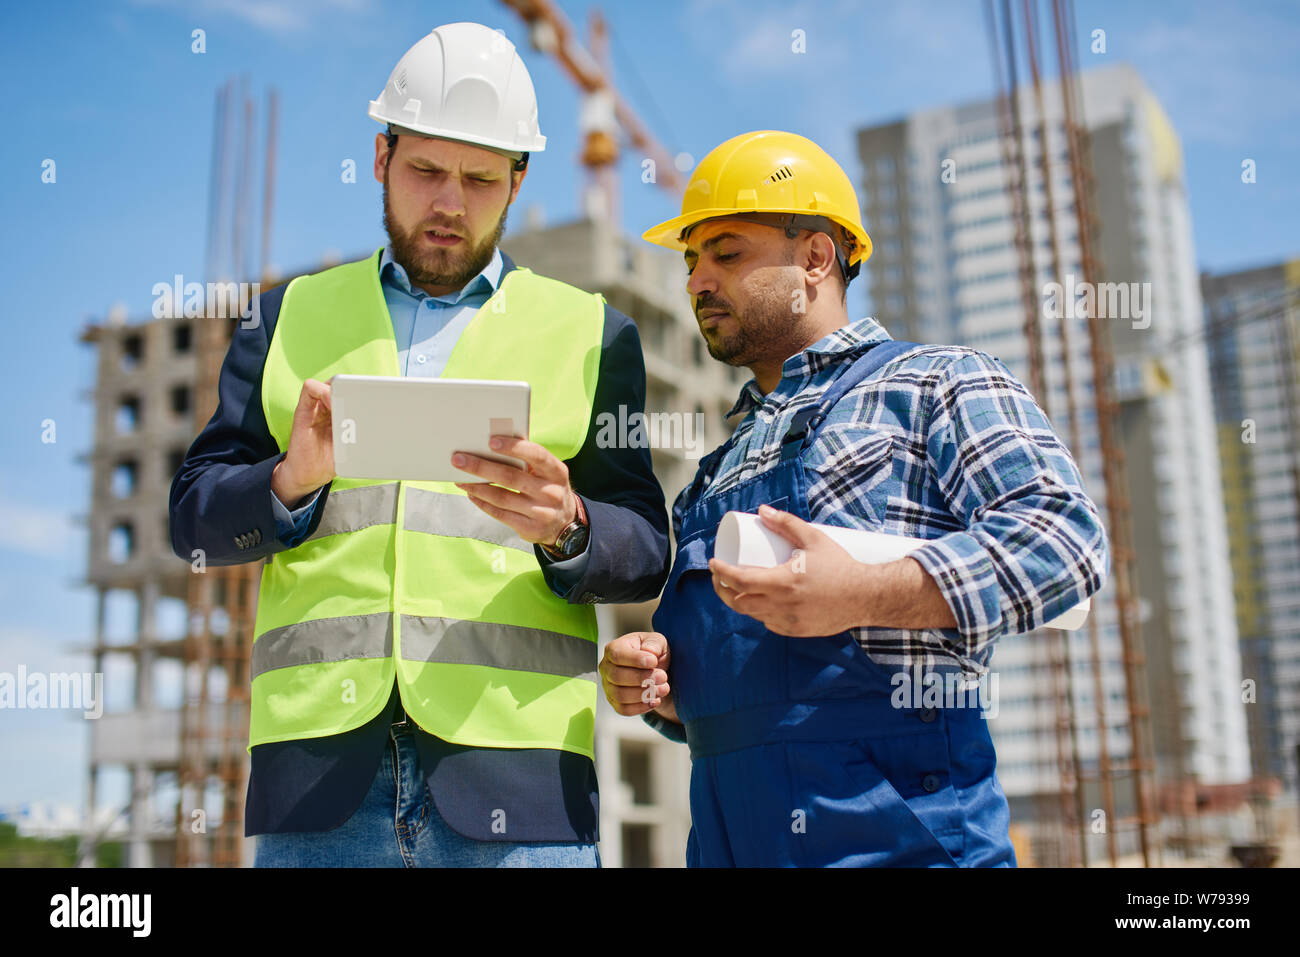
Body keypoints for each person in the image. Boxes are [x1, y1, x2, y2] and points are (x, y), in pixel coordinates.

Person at [170, 22, 669, 868]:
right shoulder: (284, 317)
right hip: (319, 783)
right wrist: (289, 483)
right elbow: (193, 521)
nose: (449, 203)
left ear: (517, 183)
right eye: (426, 170)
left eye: (480, 180)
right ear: (379, 157)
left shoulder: (593, 336)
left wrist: (571, 524)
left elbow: (646, 546)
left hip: (521, 779)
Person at [598, 130, 1109, 867]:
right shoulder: (713, 472)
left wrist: (865, 592)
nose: (697, 281)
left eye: (727, 253)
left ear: (815, 257)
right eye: (690, 260)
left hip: (907, 846)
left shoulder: (939, 383)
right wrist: (666, 690)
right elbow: (750, 698)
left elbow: (1064, 538)